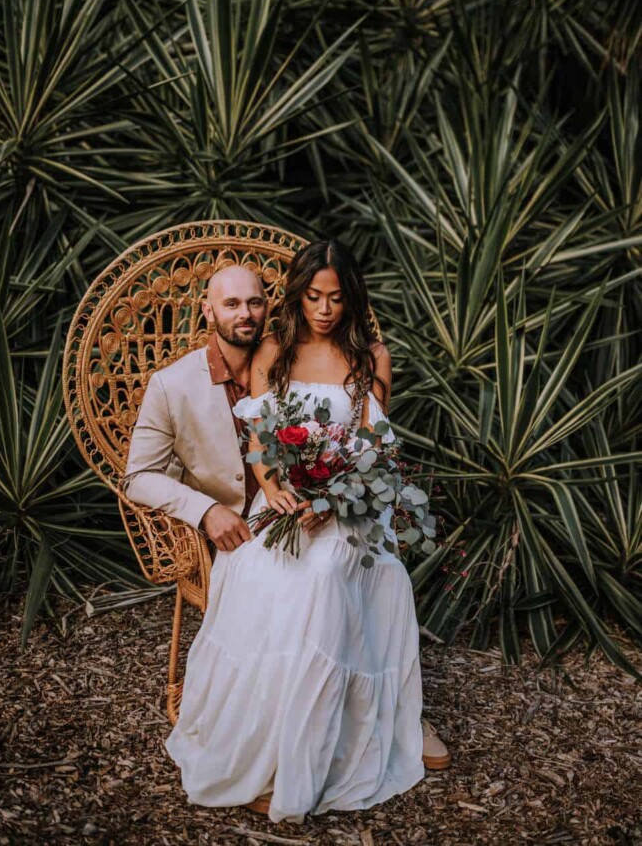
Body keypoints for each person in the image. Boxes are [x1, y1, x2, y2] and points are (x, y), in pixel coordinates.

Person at [122, 248, 450, 826]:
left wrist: (333, 498)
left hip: (349, 508)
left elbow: (374, 449)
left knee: (331, 574)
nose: (324, 309)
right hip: (280, 504)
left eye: (336, 298)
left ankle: (356, 728)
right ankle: (269, 749)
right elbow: (260, 440)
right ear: (297, 296)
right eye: (313, 297)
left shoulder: (372, 356)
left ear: (351, 298)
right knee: (278, 575)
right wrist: (274, 490)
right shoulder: (271, 351)